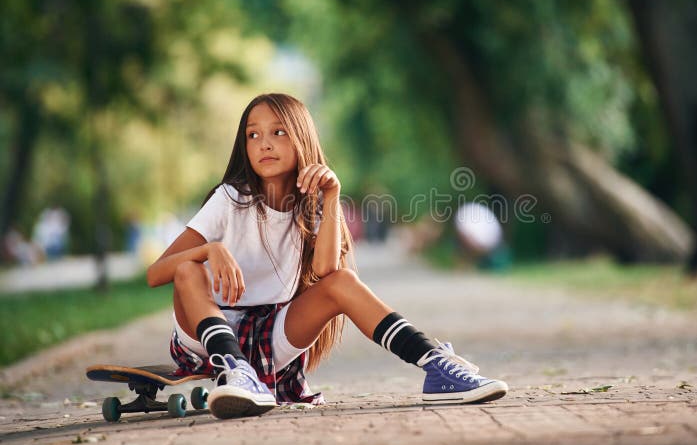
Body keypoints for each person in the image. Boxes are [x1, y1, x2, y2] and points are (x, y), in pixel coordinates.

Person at [146, 93, 508, 419]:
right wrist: (210, 249)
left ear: (301, 138)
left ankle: (435, 364)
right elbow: (156, 273)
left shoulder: (314, 204)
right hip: (207, 335)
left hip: (271, 337)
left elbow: (326, 271)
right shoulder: (229, 198)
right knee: (188, 271)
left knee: (343, 282)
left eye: (278, 132)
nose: (263, 144)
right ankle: (236, 370)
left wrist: (332, 195)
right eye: (253, 135)